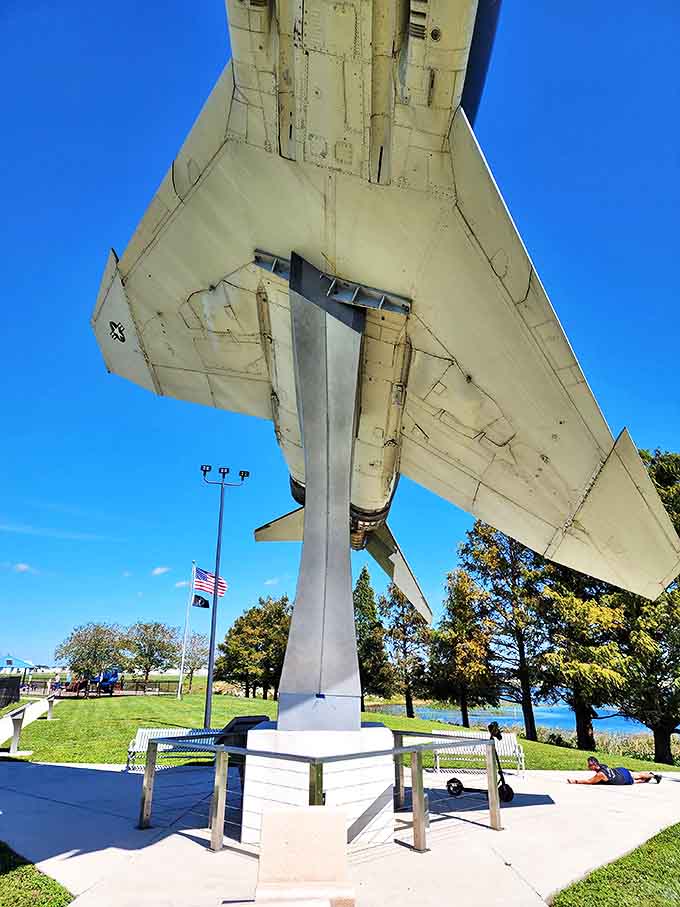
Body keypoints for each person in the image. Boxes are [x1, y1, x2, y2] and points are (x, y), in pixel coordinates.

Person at [568, 756, 662, 785]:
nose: (588, 767)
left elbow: (589, 781)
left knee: (635, 780)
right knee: (636, 775)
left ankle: (648, 779)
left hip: (621, 778)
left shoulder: (600, 774)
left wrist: (575, 781)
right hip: (620, 771)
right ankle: (652, 776)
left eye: (589, 765)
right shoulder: (602, 766)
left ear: (595, 765)